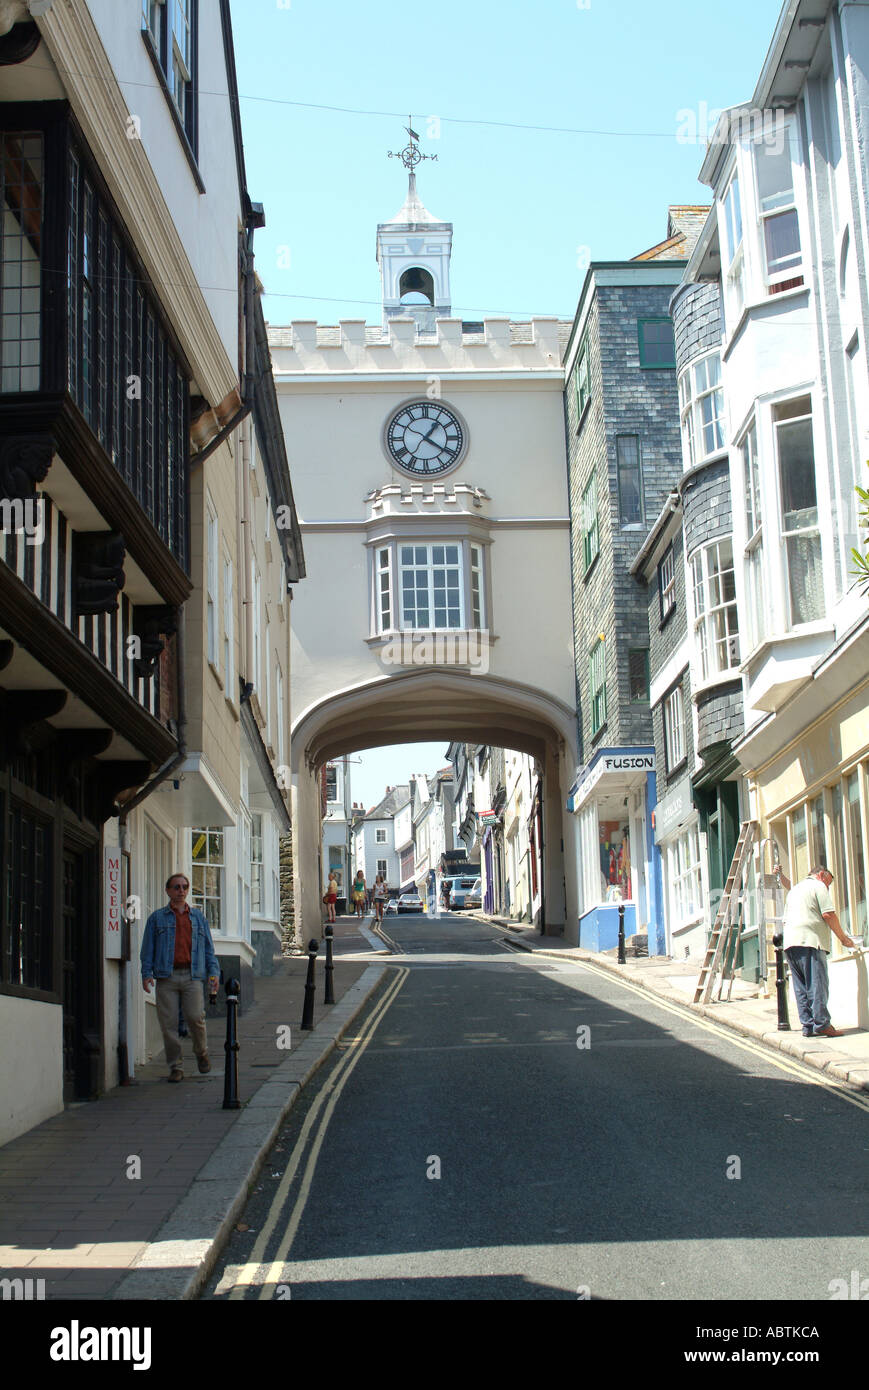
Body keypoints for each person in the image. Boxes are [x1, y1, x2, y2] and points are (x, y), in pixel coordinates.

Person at [140, 873, 221, 1082]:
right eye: (176, 887)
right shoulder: (157, 919)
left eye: (185, 887)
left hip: (192, 975)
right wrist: (146, 974)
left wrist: (214, 973)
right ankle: (176, 1066)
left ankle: (201, 1052)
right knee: (169, 1025)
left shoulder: (198, 918)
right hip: (166, 977)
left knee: (196, 1018)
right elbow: (147, 949)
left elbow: (208, 949)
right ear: (168, 891)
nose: (181, 891)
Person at [777, 863, 856, 1038]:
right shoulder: (818, 886)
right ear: (821, 875)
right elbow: (828, 914)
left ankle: (808, 1026)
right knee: (817, 984)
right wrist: (843, 938)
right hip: (810, 941)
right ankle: (822, 1024)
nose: (828, 887)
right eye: (828, 882)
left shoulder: (795, 889)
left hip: (790, 942)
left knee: (801, 987)